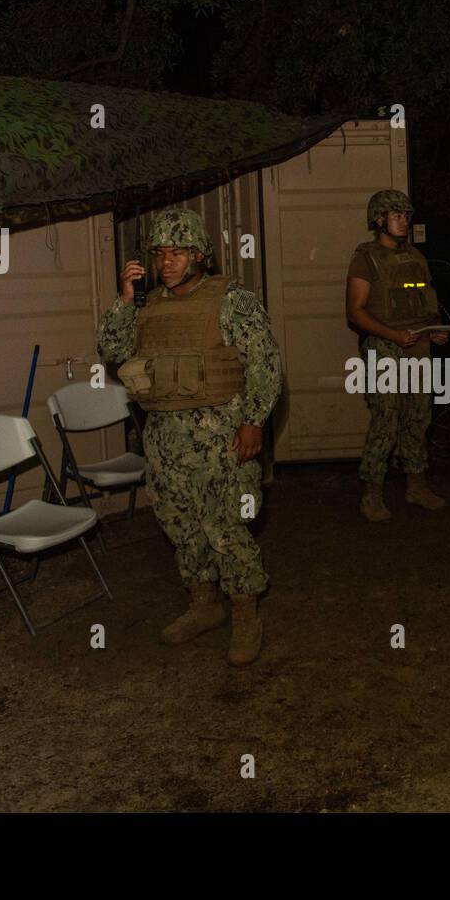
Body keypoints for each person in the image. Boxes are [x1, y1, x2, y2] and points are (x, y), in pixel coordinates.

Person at [96, 208, 281, 665]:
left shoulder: (232, 300)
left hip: (222, 437)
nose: (168, 262)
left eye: (177, 252)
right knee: (181, 524)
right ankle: (203, 605)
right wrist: (124, 298)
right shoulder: (148, 305)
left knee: (225, 527)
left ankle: (244, 613)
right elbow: (113, 351)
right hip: (165, 437)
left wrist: (254, 421)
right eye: (161, 253)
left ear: (200, 255)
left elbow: (265, 365)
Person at [345, 189, 448, 523]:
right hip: (384, 348)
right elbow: (355, 312)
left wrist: (435, 329)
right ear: (379, 220)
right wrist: (392, 335)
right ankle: (371, 493)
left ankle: (416, 485)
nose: (404, 221)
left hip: (417, 347)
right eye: (397, 215)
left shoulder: (416, 258)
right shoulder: (366, 257)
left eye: (406, 215)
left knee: (419, 417)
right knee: (386, 421)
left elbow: (426, 305)